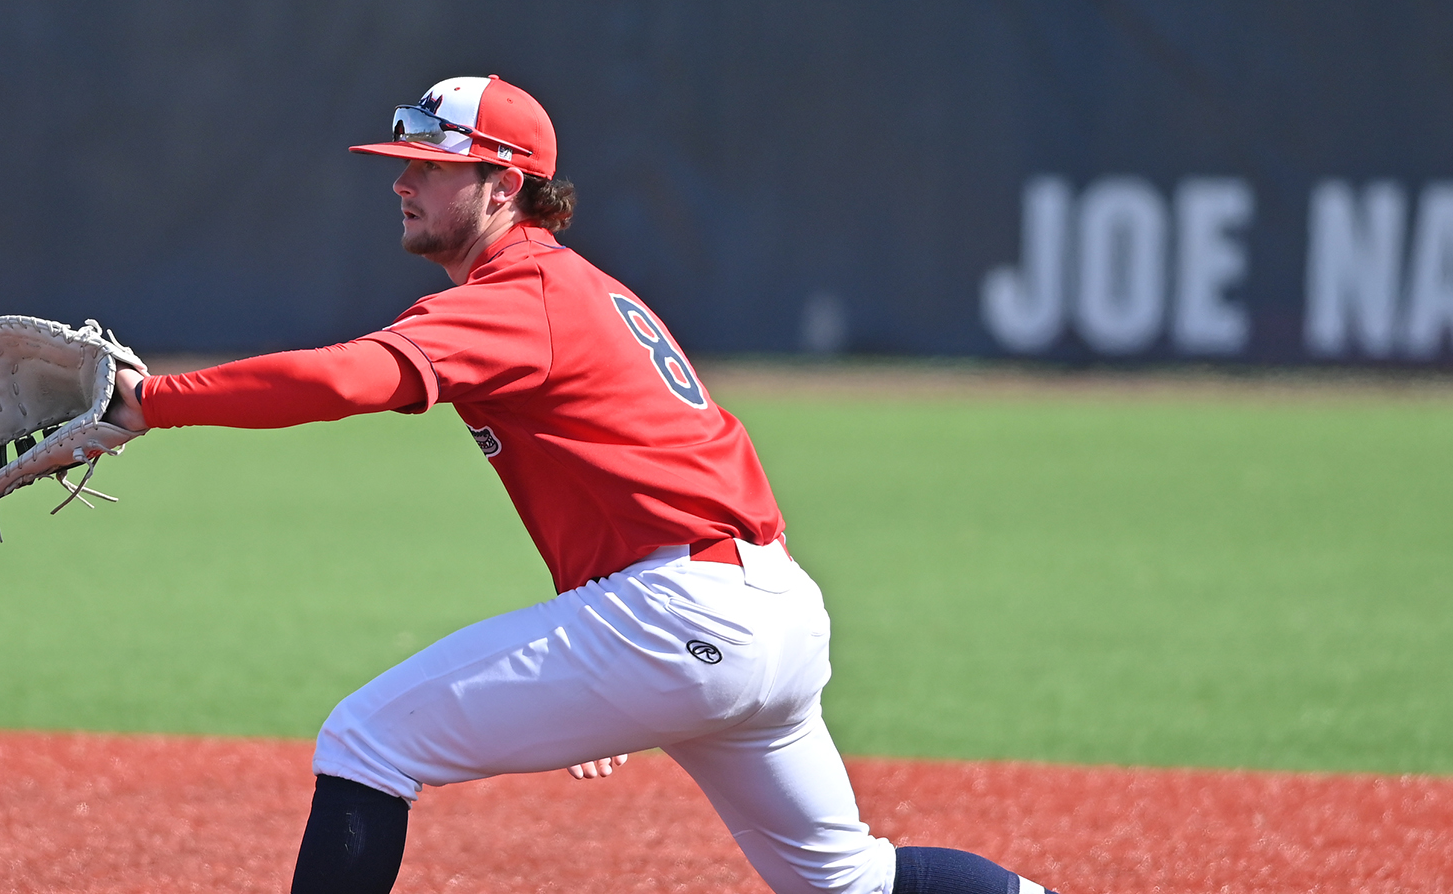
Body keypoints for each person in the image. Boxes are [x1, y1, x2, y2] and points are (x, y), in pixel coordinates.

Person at [103, 75, 1058, 894]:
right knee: (852, 879)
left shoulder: (521, 299)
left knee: (365, 741)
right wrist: (607, 652)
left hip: (685, 615)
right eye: (405, 162)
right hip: (767, 605)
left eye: (431, 166)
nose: (403, 181)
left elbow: (346, 378)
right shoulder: (584, 288)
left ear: (501, 183)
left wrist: (149, 401)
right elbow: (641, 461)